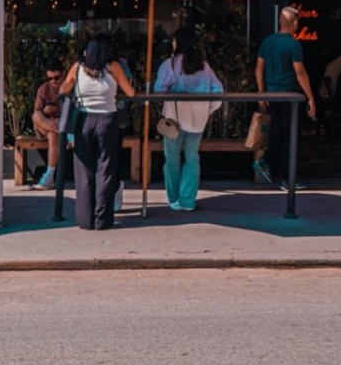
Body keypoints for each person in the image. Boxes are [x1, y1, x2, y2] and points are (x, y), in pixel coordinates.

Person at [57, 35, 136, 230]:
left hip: (84, 120)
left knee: (83, 171)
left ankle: (85, 220)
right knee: (105, 170)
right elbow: (131, 93)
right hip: (108, 120)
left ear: (87, 53)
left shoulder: (78, 68)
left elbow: (63, 88)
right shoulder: (114, 67)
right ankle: (102, 220)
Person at [153, 27, 224, 212]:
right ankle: (188, 200)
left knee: (172, 159)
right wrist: (206, 109)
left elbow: (159, 90)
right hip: (197, 120)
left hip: (174, 119)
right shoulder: (204, 65)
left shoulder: (170, 65)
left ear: (177, 43)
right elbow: (218, 91)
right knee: (192, 158)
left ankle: (174, 198)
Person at [254, 6, 317, 190]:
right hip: (290, 96)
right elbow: (300, 72)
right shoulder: (294, 45)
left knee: (276, 134)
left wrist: (261, 93)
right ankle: (287, 179)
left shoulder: (267, 42)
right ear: (295, 23)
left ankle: (268, 163)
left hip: (272, 95)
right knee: (291, 137)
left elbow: (258, 69)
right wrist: (310, 97)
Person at [29, 59, 65, 189]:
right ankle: (61, 130)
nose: (53, 81)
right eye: (50, 78)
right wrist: (46, 111)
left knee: (53, 135)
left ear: (63, 74)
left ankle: (50, 176)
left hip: (57, 126)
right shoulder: (43, 89)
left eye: (56, 78)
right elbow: (37, 114)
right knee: (36, 116)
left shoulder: (68, 88)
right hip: (46, 125)